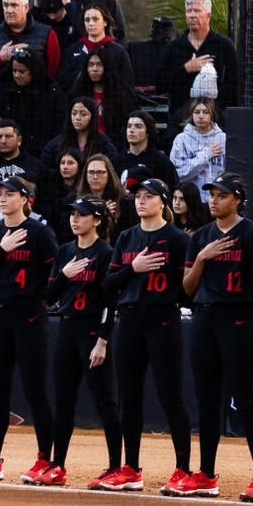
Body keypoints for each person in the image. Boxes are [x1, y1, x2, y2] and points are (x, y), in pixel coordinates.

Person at [176, 173, 253, 499]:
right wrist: (202, 258)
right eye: (211, 195)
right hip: (204, 318)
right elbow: (187, 289)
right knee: (207, 401)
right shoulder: (201, 237)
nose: (213, 200)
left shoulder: (251, 234)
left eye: (221, 195)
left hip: (238, 319)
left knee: (245, 398)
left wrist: (242, 307)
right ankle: (206, 474)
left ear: (237, 200)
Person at [104, 179, 196, 490]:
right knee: (129, 397)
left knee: (171, 396)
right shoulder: (127, 236)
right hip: (128, 320)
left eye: (148, 196)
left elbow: (187, 288)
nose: (141, 201)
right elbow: (109, 283)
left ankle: (183, 469)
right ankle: (130, 468)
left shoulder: (176, 238)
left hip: (162, 319)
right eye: (138, 196)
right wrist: (134, 268)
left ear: (163, 202)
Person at [0, 176, 60, 483]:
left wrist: (43, 299)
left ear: (24, 199)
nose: (2, 198)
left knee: (35, 391)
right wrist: (1, 250)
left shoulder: (38, 232)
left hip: (29, 317)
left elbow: (55, 271)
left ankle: (45, 460)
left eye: (9, 193)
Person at [48, 198, 129, 492]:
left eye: (81, 215)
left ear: (96, 220)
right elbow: (48, 296)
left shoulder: (106, 253)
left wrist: (102, 341)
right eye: (72, 213)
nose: (74, 219)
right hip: (67, 328)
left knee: (104, 401)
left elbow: (110, 301)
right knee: (63, 400)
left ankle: (115, 467)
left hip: (92, 330)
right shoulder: (64, 251)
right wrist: (64, 275)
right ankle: (57, 465)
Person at [159, 0, 239, 112]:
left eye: (197, 11)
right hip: (180, 116)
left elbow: (235, 83)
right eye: (189, 11)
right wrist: (186, 69)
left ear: (208, 15)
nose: (192, 15)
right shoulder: (173, 47)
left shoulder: (224, 45)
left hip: (215, 115)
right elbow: (161, 84)